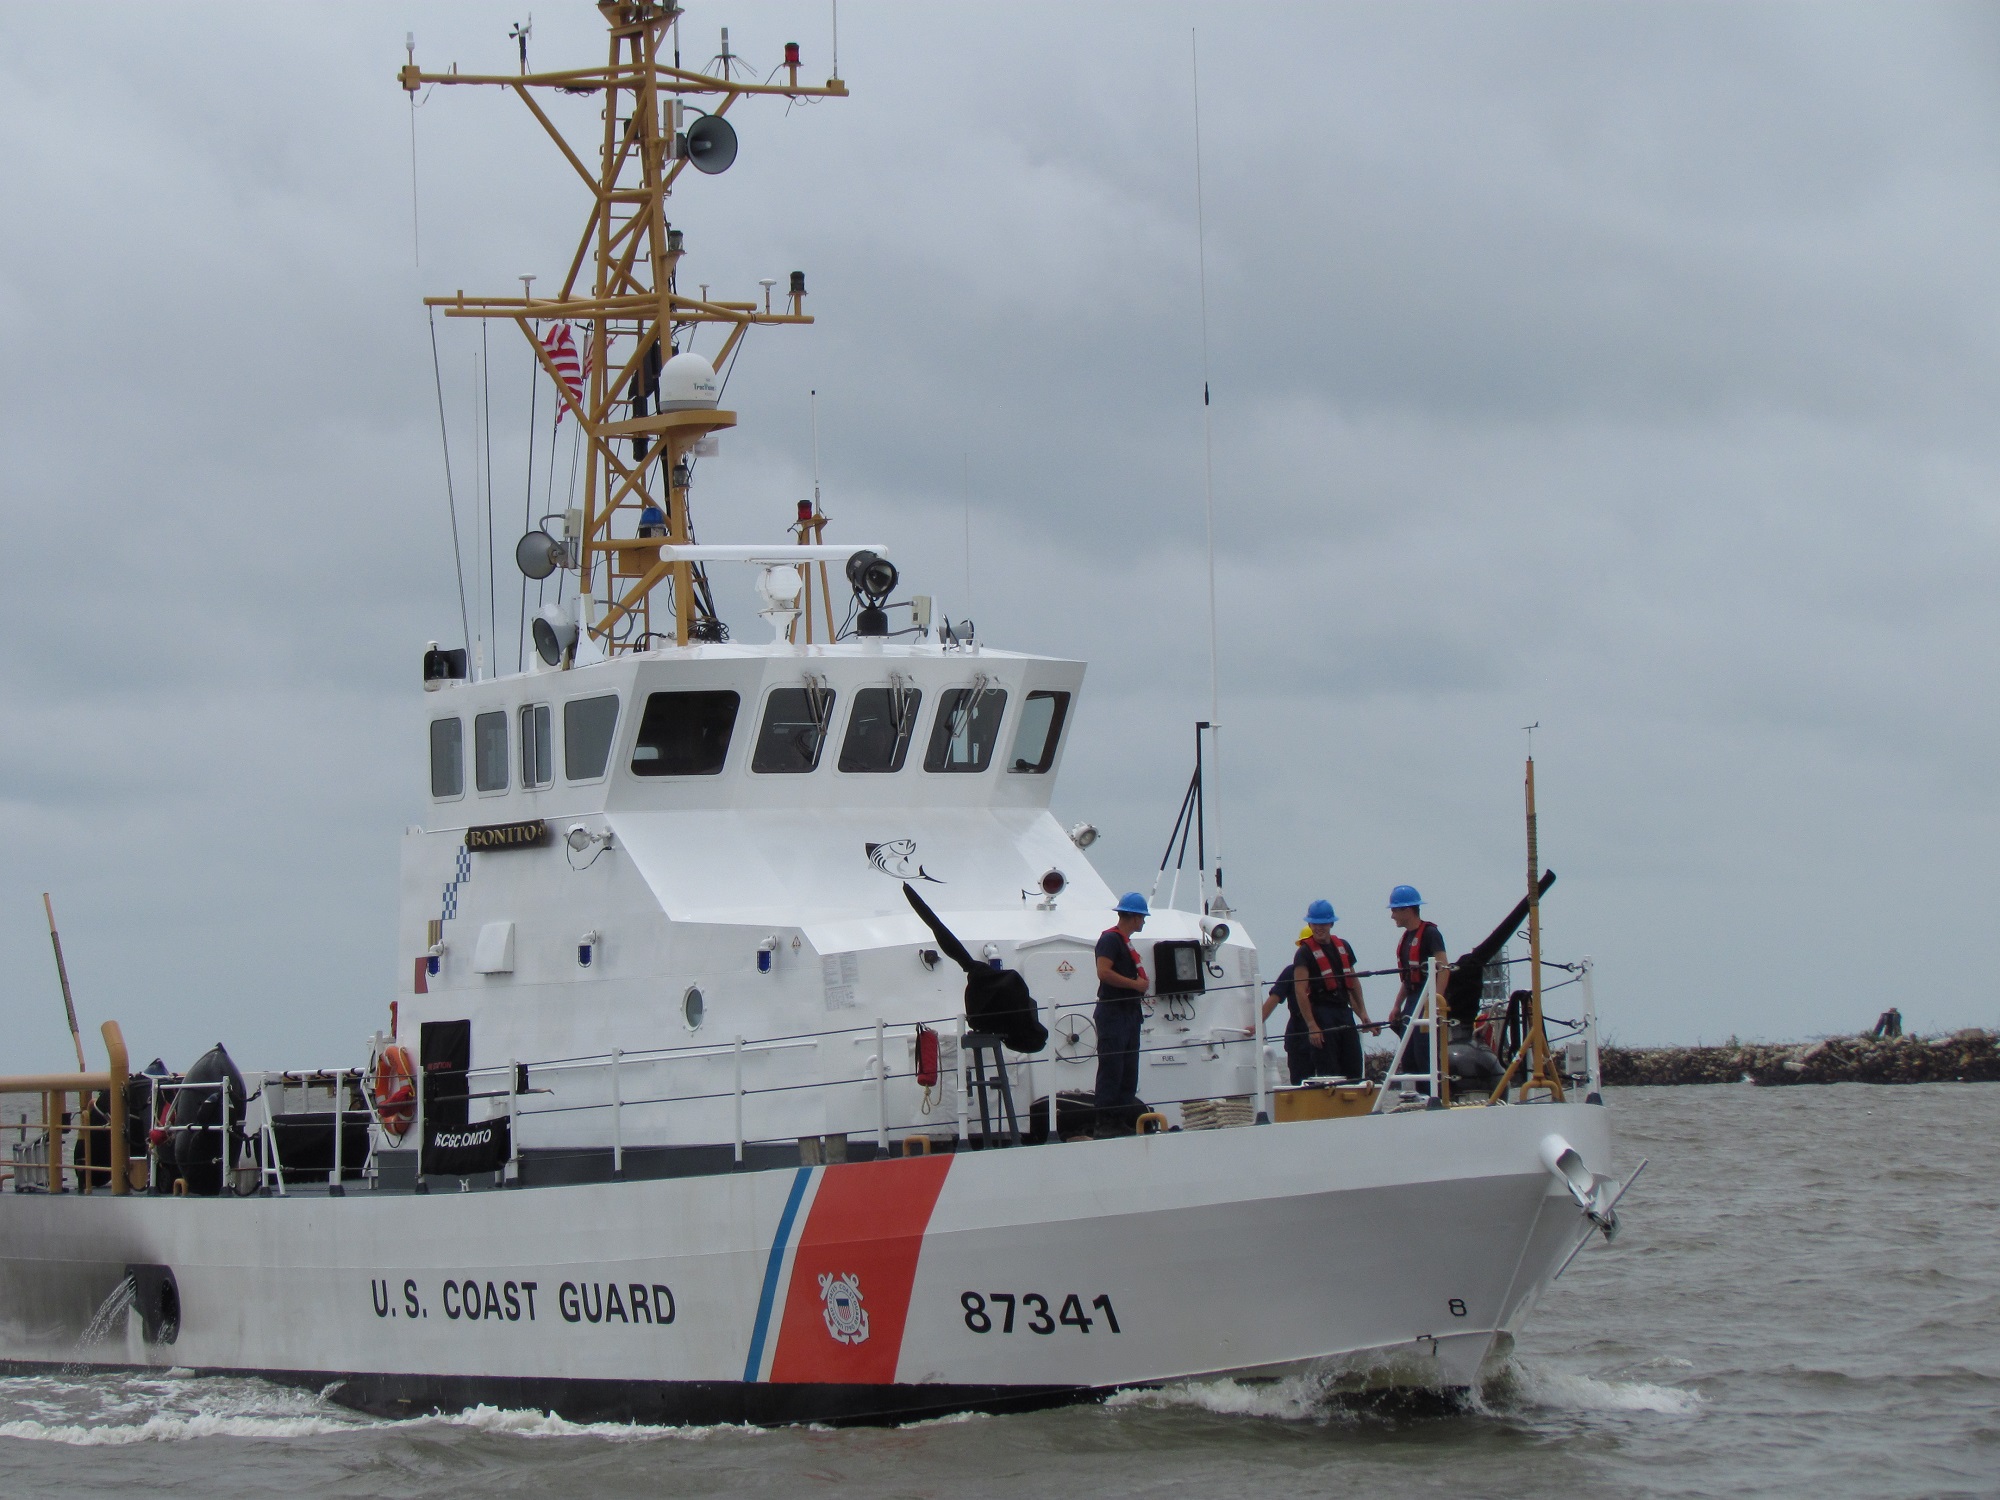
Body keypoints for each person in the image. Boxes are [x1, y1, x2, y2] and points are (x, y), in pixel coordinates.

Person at [1292, 901, 1370, 1081]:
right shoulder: (1304, 953)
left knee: (1353, 1064)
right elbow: (1300, 991)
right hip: (1322, 1013)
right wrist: (1312, 1026)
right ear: (1310, 925)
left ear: (1331, 924)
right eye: (1315, 924)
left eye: (1323, 923)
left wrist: (1363, 1013)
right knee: (1329, 1069)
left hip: (1344, 1012)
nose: (1319, 928)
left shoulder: (1343, 946)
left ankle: (1354, 1102)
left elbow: (1353, 982)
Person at [1093, 892, 1152, 1125]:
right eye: (1143, 918)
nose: (1144, 922)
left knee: (1128, 1070)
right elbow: (1103, 972)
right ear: (1135, 917)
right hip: (1114, 1012)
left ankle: (1123, 1118)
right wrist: (1135, 985)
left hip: (1129, 1013)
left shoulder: (1123, 942)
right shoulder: (1110, 940)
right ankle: (1106, 1121)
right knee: (1112, 1068)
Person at [1388, 885, 1448, 1082]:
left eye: (1395, 910)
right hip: (1412, 999)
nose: (1392, 916)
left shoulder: (1430, 934)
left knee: (1425, 1049)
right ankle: (1419, 1095)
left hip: (1426, 998)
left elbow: (1443, 968)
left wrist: (1435, 1003)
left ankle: (1434, 1093)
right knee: (1409, 1052)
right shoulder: (1406, 939)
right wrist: (1397, 1005)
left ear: (1407, 910)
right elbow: (1408, 978)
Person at [1260, 927, 1314, 1084]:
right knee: (1299, 1079)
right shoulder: (1291, 972)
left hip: (1322, 1029)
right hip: (1298, 1033)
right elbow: (1274, 999)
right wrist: (1256, 1024)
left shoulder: (1328, 971)